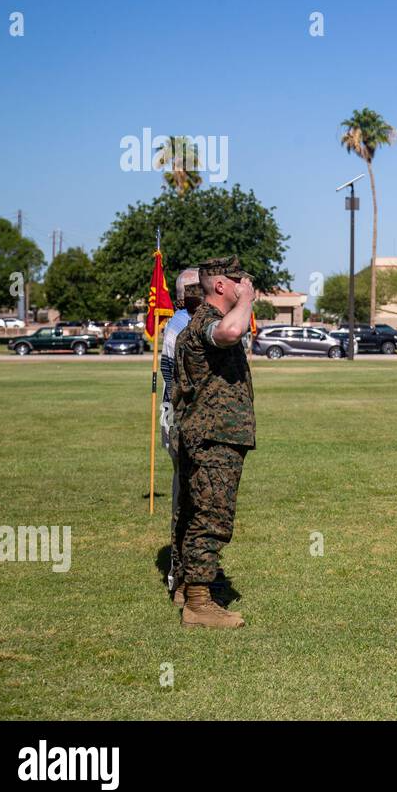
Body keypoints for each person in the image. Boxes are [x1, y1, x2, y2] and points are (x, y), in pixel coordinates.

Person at [172, 256, 256, 628]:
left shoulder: (204, 319)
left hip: (213, 433)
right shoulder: (207, 322)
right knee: (211, 517)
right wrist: (248, 300)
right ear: (221, 286)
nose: (244, 284)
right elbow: (231, 333)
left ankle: (188, 586)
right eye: (237, 280)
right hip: (214, 436)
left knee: (193, 513)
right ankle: (198, 604)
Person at [161, 267, 201, 606]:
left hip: (192, 419)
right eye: (193, 288)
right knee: (185, 497)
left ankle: (196, 574)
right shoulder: (178, 324)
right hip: (179, 418)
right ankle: (181, 578)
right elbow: (169, 374)